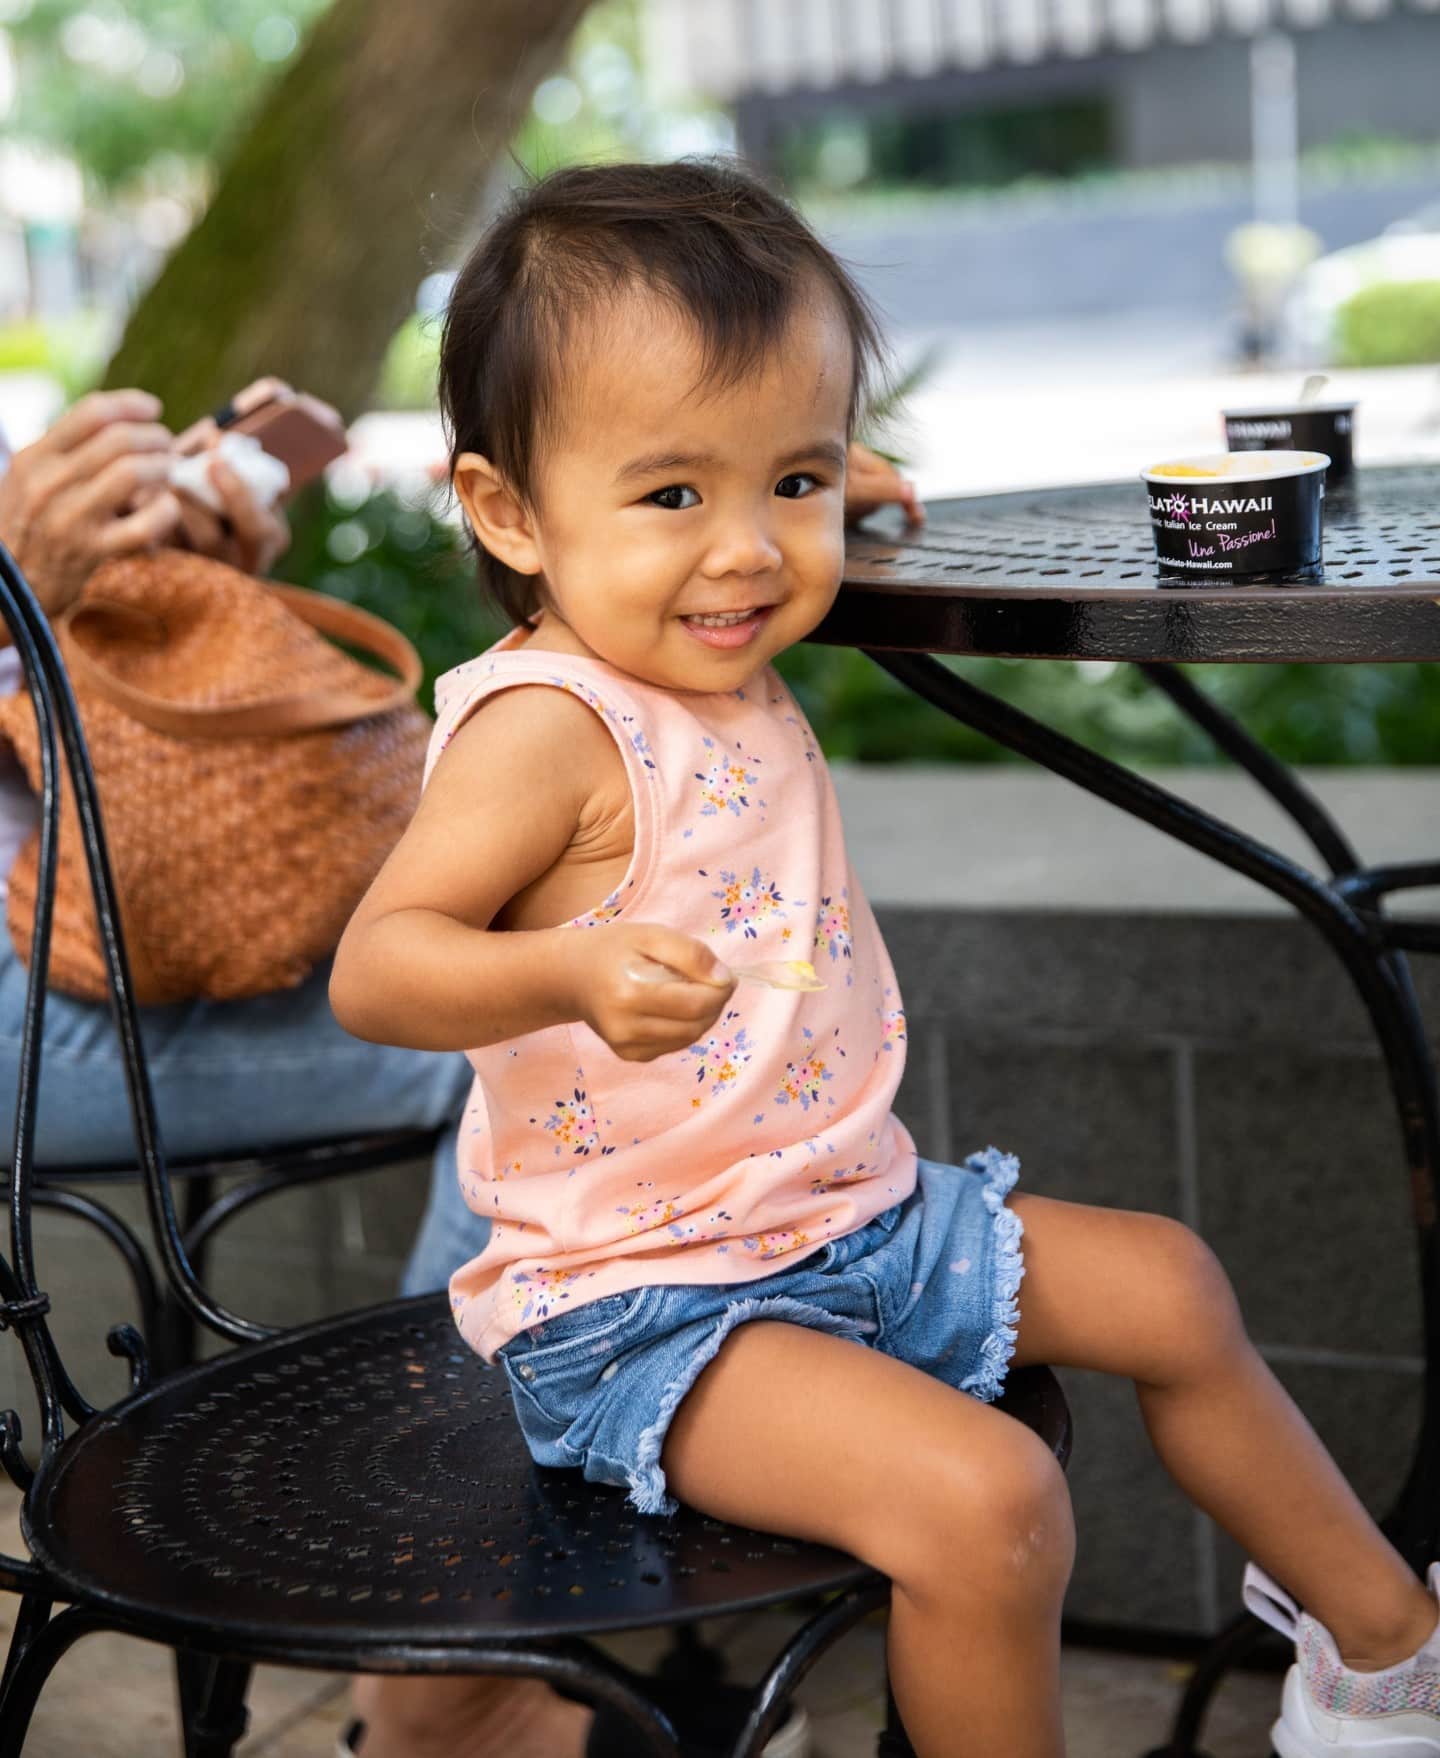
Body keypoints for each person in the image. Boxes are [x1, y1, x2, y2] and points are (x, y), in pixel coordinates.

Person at [330, 159, 1440, 1758]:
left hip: (843, 1218)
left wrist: (812, 476)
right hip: (645, 1302)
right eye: (671, 495)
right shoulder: (548, 729)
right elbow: (379, 969)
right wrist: (563, 974)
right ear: (509, 509)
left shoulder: (704, 621)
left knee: (1173, 1287)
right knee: (992, 1499)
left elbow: (740, 490)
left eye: (786, 482)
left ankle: (1384, 1657)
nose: (748, 554)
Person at [0, 383, 471, 1228]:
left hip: (114, 900)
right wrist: (14, 592)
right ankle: (473, 1362)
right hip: (40, 964)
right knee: (532, 1042)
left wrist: (169, 584)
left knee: (534, 958)